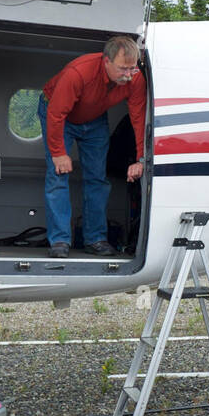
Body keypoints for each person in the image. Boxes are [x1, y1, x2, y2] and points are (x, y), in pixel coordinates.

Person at [38, 35, 146, 258]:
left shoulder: (135, 78)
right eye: (122, 69)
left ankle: (95, 239)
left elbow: (138, 118)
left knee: (97, 178)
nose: (128, 75)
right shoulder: (78, 72)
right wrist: (59, 153)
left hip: (95, 119)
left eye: (132, 69)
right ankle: (59, 240)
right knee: (58, 175)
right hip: (59, 115)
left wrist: (140, 158)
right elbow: (56, 114)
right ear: (106, 61)